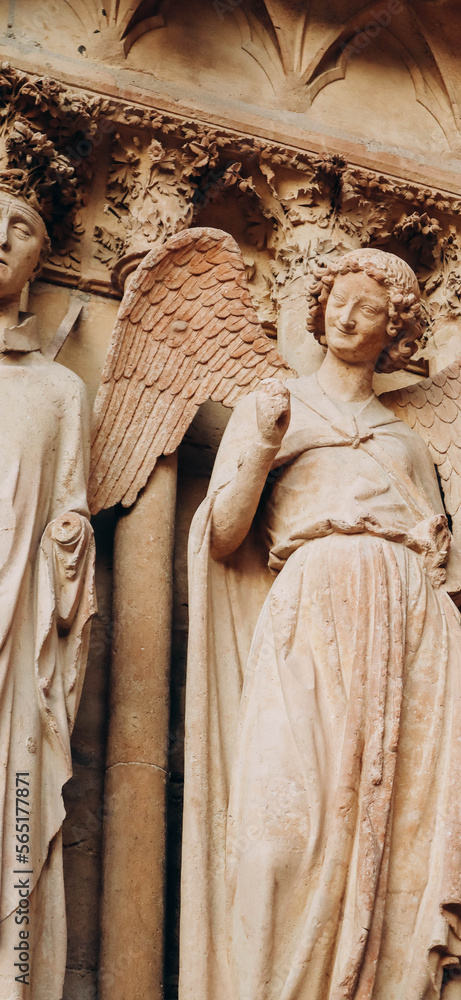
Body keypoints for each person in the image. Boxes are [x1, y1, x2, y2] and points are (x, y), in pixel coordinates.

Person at [180, 249, 461, 1000]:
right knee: (275, 836)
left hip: (405, 625)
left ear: (395, 331)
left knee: (400, 826)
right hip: (309, 606)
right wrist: (259, 440)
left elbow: (444, 553)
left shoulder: (405, 441)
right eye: (336, 299)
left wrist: (447, 568)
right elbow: (224, 532)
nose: (346, 314)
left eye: (368, 307)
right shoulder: (275, 403)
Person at [0, 190, 95, 999]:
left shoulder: (59, 389)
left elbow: (72, 505)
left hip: (15, 626)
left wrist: (71, 540)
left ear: (40, 260)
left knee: (14, 804)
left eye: (20, 227)